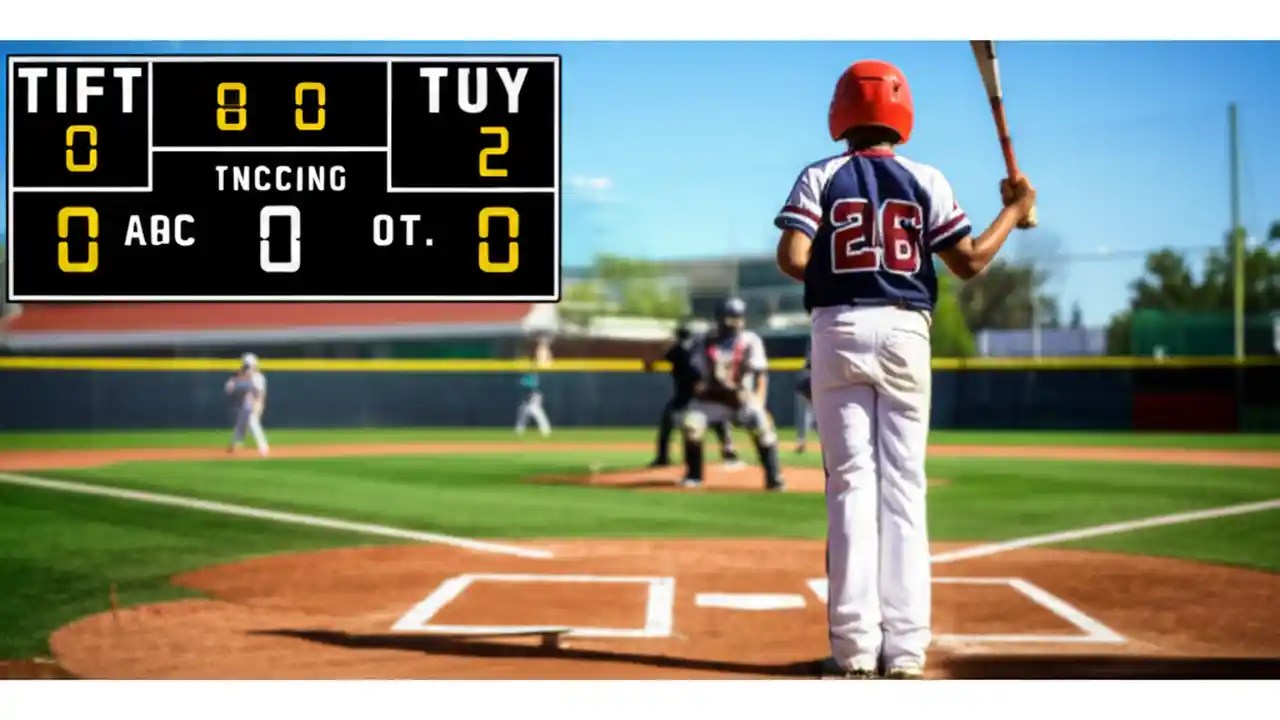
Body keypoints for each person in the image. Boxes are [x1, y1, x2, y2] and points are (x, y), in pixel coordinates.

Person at [773, 59, 1037, 679]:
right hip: (905, 333)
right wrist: (1015, 213)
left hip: (836, 328)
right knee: (904, 489)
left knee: (849, 488)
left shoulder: (819, 174)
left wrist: (844, 274)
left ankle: (855, 651)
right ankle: (907, 651)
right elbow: (968, 262)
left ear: (841, 114)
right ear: (902, 114)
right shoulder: (927, 179)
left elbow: (792, 257)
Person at [675, 297, 785, 491]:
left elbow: (760, 375)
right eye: (729, 317)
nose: (733, 322)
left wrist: (758, 402)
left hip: (740, 398)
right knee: (691, 422)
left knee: (762, 426)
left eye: (737, 317)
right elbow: (694, 373)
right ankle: (694, 475)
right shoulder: (705, 340)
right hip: (712, 399)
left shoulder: (750, 340)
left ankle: (774, 477)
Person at [647, 321, 739, 468]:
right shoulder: (704, 348)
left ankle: (663, 457)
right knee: (720, 423)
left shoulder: (680, 349)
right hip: (706, 396)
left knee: (669, 423)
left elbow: (660, 357)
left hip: (686, 397)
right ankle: (729, 452)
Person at [225, 352, 269, 456]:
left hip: (255, 404)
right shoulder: (241, 377)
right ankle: (233, 444)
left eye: (249, 364)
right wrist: (233, 384)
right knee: (240, 425)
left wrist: (258, 407)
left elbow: (260, 395)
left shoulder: (258, 377)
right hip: (245, 405)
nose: (247, 367)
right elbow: (230, 387)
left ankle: (263, 447)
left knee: (253, 422)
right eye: (246, 365)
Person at [794, 339, 816, 454]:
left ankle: (801, 440)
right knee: (805, 414)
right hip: (808, 377)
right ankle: (801, 441)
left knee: (808, 414)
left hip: (813, 377)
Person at [515, 371, 551, 437]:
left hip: (534, 395)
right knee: (523, 412)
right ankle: (519, 430)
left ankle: (545, 430)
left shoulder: (532, 375)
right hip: (526, 396)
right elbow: (522, 386)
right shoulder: (524, 376)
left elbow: (533, 386)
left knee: (536, 412)